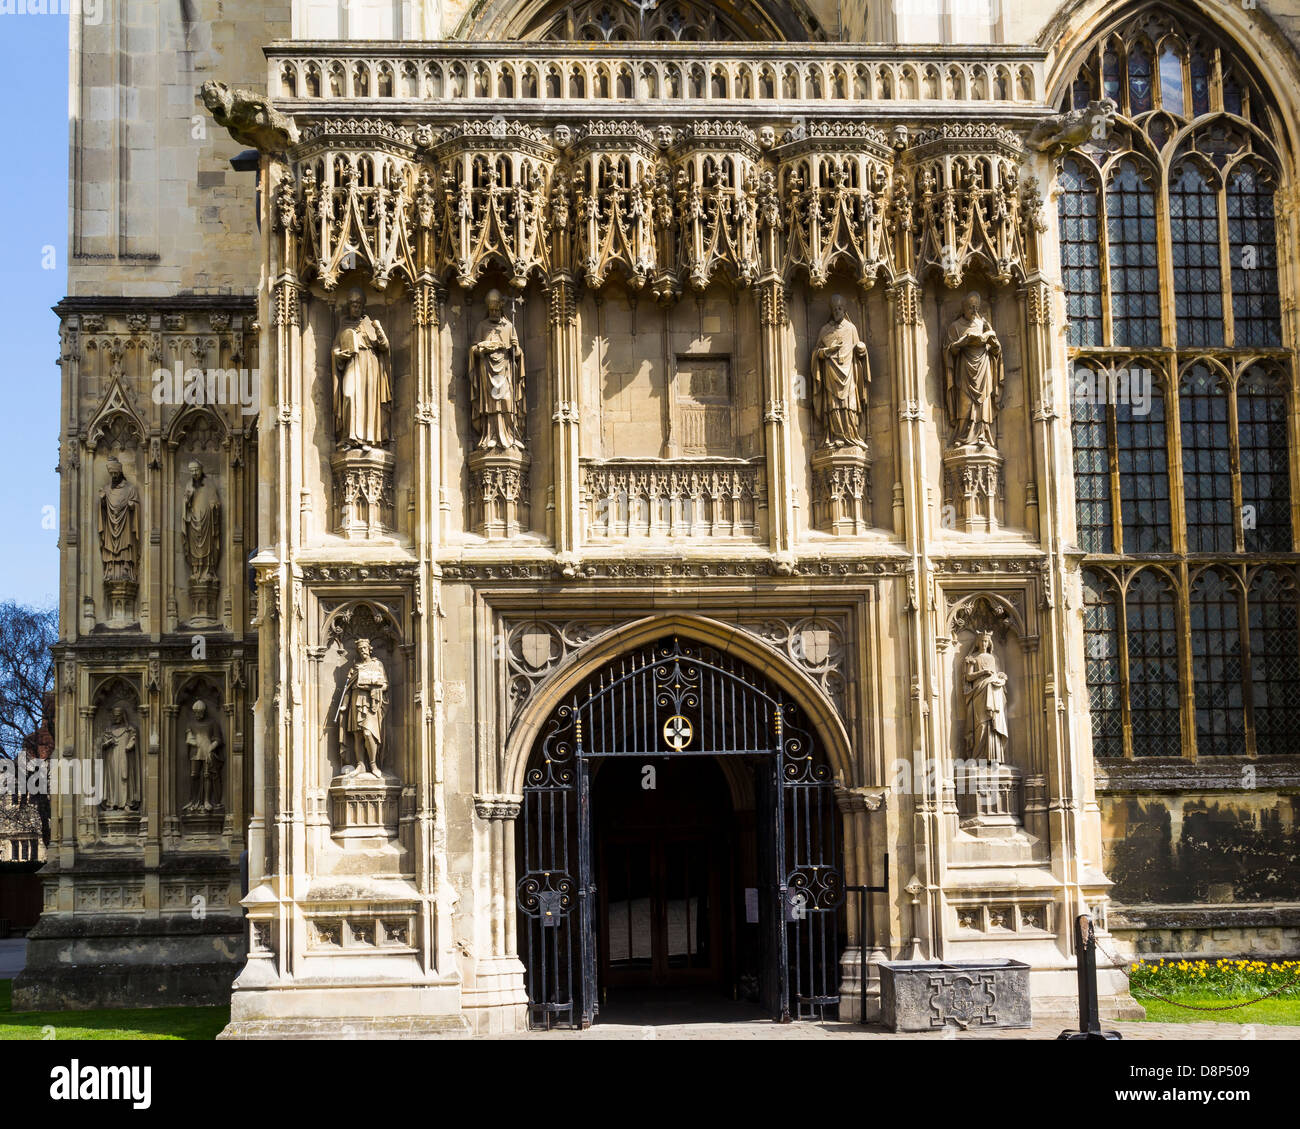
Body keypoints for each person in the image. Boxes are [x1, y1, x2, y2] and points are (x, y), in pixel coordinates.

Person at [332, 289, 392, 449]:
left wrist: (378, 329)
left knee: (368, 400)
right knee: (349, 394)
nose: (356, 308)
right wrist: (338, 354)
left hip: (370, 364)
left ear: (363, 306)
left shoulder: (369, 324)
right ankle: (349, 437)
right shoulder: (344, 325)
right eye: (353, 305)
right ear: (349, 306)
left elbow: (384, 346)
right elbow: (335, 348)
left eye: (358, 305)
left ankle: (367, 439)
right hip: (352, 363)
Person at [944, 292, 1003, 449]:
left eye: (976, 307)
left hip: (983, 366)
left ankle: (982, 434)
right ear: (964, 308)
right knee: (965, 401)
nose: (974, 310)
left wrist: (993, 341)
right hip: (964, 368)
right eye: (971, 307)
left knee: (983, 401)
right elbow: (949, 351)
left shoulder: (984, 325)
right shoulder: (955, 327)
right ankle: (962, 435)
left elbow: (996, 350)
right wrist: (960, 343)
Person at [811, 294, 870, 449]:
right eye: (835, 309)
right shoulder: (825, 330)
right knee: (833, 407)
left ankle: (852, 436)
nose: (837, 311)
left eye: (840, 308)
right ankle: (834, 436)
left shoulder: (851, 329)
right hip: (831, 373)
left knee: (850, 406)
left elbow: (859, 351)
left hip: (849, 373)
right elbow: (816, 353)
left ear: (844, 310)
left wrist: (862, 350)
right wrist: (827, 351)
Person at [470, 289, 526, 450]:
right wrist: (481, 348)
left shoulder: (509, 326)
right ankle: (490, 435)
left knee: (507, 401)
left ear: (501, 307)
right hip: (487, 371)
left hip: (505, 370)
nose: (494, 313)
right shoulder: (482, 326)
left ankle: (510, 435)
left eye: (496, 309)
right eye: (491, 310)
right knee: (490, 404)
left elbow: (518, 354)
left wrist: (516, 348)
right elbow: (473, 349)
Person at [336, 638, 388, 776]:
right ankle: (360, 765)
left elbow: (385, 685)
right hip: (356, 700)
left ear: (369, 649)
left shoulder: (377, 665)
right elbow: (348, 688)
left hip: (371, 703)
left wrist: (371, 688)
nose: (362, 651)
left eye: (364, 648)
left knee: (368, 733)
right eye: (360, 649)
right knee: (357, 735)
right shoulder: (355, 667)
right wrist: (344, 705)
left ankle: (373, 765)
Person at [964, 632, 1009, 764]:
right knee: (981, 724)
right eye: (982, 641)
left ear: (989, 643)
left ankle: (995, 758)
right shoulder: (972, 657)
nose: (984, 644)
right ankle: (979, 757)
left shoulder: (994, 658)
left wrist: (1001, 677)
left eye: (986, 641)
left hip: (994, 691)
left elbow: (997, 673)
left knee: (993, 722)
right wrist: (983, 672)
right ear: (978, 642)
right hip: (979, 691)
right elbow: (968, 677)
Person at [184, 700, 224, 813]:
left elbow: (218, 739)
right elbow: (188, 738)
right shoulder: (191, 724)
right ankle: (193, 800)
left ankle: (207, 801)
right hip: (195, 753)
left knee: (207, 775)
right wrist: (193, 742)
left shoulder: (212, 723)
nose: (197, 715)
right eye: (195, 712)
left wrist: (211, 747)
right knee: (194, 775)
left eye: (199, 712)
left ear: (203, 712)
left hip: (208, 751)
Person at [100, 705, 140, 812]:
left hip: (125, 757)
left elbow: (133, 739)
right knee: (113, 779)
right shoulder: (109, 730)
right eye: (114, 715)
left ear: (123, 716)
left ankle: (126, 803)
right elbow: (102, 745)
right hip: (112, 759)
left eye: (118, 715)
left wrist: (130, 744)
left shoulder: (129, 729)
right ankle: (112, 803)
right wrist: (109, 742)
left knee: (125, 777)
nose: (116, 718)